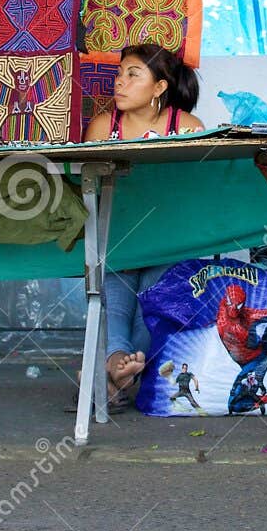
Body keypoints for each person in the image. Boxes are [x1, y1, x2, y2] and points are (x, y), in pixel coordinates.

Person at [84, 43, 203, 407]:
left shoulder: (186, 127)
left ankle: (110, 375)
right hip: (116, 238)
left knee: (150, 306)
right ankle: (119, 370)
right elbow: (90, 191)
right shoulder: (104, 127)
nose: (119, 82)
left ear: (159, 87)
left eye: (132, 75)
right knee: (109, 304)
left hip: (170, 241)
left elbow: (201, 193)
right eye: (119, 74)